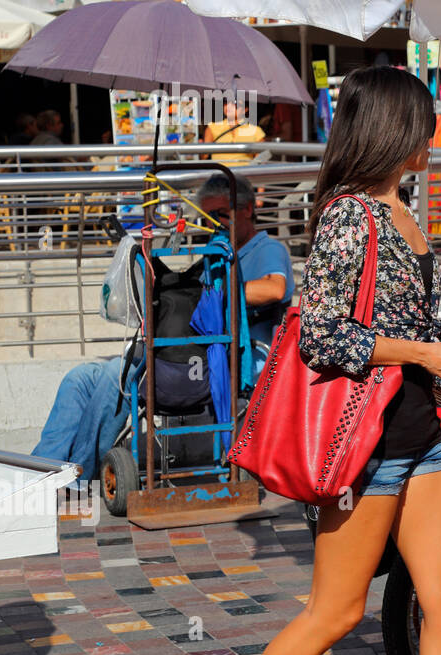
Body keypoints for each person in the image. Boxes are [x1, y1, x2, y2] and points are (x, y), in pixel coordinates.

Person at [256, 65, 441, 655]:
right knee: (336, 612)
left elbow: (398, 317)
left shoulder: (399, 208)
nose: (432, 140)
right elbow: (323, 337)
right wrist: (421, 353)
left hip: (420, 434)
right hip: (367, 443)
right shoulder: (349, 216)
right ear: (393, 128)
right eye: (424, 128)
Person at [30, 174, 293, 486]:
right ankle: (39, 470)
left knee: (119, 374)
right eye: (208, 217)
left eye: (222, 214)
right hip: (185, 350)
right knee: (80, 379)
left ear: (247, 209)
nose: (215, 223)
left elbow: (276, 289)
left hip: (225, 357)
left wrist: (216, 295)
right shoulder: (216, 248)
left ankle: (77, 472)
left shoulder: (265, 249)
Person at [203, 98, 265, 165]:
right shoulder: (212, 127)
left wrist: (251, 170)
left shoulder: (256, 130)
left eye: (234, 103)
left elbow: (261, 157)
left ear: (245, 109)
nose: (229, 106)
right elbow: (204, 156)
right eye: (226, 102)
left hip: (244, 173)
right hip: (219, 173)